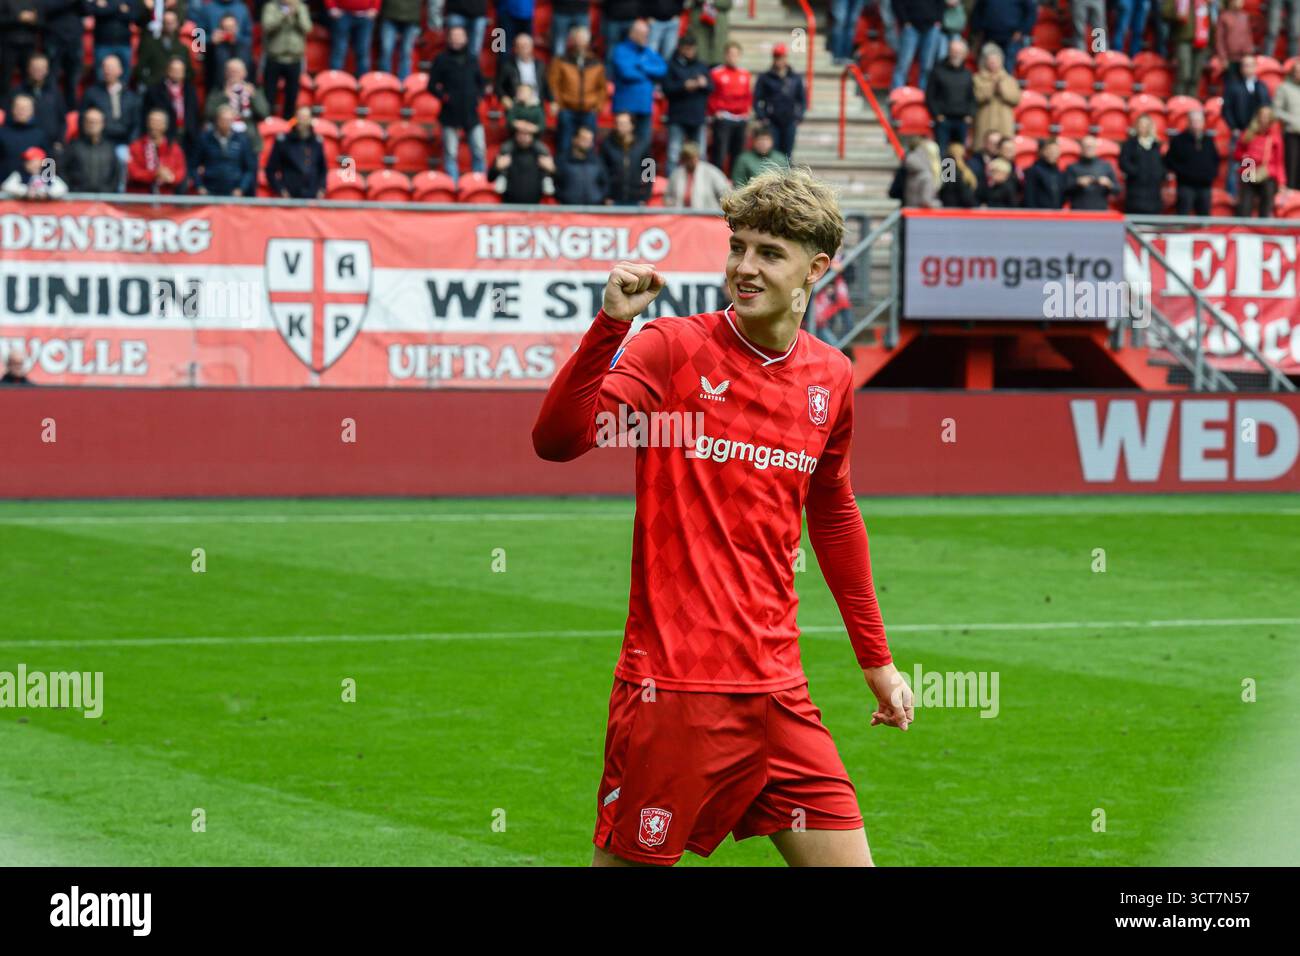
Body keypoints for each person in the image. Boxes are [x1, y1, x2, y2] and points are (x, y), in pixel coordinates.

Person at [531, 166, 912, 868]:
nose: (744, 266)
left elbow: (833, 515)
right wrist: (611, 324)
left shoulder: (831, 375)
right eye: (738, 246)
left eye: (770, 253)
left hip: (779, 696)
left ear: (816, 269)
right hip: (674, 694)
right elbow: (557, 442)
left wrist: (877, 661)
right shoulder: (671, 349)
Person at [428, 25, 487, 184]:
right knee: (450, 153)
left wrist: (478, 97)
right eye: (453, 36)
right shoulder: (441, 59)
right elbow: (431, 86)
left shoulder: (472, 58)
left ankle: (479, 183)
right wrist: (445, 97)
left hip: (471, 112)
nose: (456, 39)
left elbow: (481, 82)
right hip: (450, 113)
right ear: (448, 39)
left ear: (466, 38)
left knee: (479, 150)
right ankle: (453, 186)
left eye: (459, 35)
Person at [548, 25, 607, 159]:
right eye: (577, 39)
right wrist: (559, 104)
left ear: (588, 41)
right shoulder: (561, 60)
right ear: (572, 40)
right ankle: (560, 177)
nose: (580, 43)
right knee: (564, 144)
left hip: (588, 110)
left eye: (583, 39)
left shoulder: (596, 62)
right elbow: (553, 84)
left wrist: (597, 107)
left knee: (588, 147)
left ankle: (589, 176)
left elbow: (602, 88)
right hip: (567, 109)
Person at [611, 18, 667, 158]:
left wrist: (642, 66)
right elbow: (626, 73)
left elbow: (663, 69)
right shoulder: (620, 50)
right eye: (643, 35)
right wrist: (649, 74)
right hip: (625, 107)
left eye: (647, 35)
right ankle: (622, 178)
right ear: (633, 34)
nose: (646, 38)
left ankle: (647, 178)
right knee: (623, 145)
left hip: (644, 107)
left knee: (645, 147)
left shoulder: (648, 51)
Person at [663, 32, 711, 178]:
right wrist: (683, 86)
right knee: (673, 154)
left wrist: (704, 84)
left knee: (700, 155)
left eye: (692, 48)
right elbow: (666, 89)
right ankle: (671, 185)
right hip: (677, 116)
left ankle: (700, 185)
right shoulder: (672, 65)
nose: (689, 51)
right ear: (680, 48)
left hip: (697, 116)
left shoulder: (702, 66)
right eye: (686, 48)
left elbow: (711, 88)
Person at [143, 55, 201, 173]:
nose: (177, 73)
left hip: (187, 136)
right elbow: (146, 115)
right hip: (166, 136)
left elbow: (195, 114)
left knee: (185, 171)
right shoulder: (155, 90)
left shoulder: (190, 90)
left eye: (180, 70)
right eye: (174, 70)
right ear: (167, 70)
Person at [1224, 54, 1272, 194]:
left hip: (1257, 134)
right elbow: (1227, 109)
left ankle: (1249, 195)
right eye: (1245, 65)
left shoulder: (1261, 86)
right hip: (1241, 132)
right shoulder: (1233, 86)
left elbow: (1266, 108)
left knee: (1254, 163)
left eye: (1251, 65)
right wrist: (1233, 127)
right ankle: (1233, 194)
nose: (1248, 68)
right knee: (1237, 164)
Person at [205, 59, 270, 157]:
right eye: (231, 71)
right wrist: (223, 96)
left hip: (248, 136)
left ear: (245, 73)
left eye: (237, 71)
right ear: (225, 73)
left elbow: (264, 113)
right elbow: (208, 113)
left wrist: (254, 96)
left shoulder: (253, 89)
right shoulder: (218, 90)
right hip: (224, 135)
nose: (233, 74)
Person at [753, 44, 806, 160]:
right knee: (773, 153)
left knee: (788, 153)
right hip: (772, 121)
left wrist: (799, 116)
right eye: (777, 57)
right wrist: (762, 117)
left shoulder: (795, 77)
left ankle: (788, 176)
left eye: (782, 57)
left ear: (786, 58)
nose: (779, 61)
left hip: (789, 120)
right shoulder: (765, 77)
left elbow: (802, 99)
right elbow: (756, 99)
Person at [925, 37, 975, 158]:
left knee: (959, 154)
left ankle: (956, 177)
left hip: (962, 120)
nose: (956, 55)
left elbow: (972, 97)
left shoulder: (968, 74)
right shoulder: (938, 71)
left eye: (959, 52)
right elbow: (930, 95)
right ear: (949, 52)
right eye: (954, 51)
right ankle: (947, 177)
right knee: (943, 154)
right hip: (944, 120)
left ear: (964, 54)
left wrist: (970, 114)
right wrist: (937, 115)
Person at [708, 41, 752, 177]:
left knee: (737, 154)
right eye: (730, 54)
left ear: (739, 56)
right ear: (725, 55)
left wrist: (746, 112)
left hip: (740, 119)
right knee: (720, 153)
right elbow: (710, 95)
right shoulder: (716, 73)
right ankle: (717, 183)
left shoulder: (745, 74)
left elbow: (748, 95)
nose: (733, 57)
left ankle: (735, 184)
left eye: (735, 55)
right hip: (724, 117)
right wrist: (714, 111)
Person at [194, 103, 257, 196]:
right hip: (210, 190)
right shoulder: (205, 139)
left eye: (229, 120)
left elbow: (249, 169)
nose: (225, 123)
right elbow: (193, 165)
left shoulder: (242, 140)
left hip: (234, 191)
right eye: (223, 120)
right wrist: (200, 186)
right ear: (217, 120)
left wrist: (241, 188)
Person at [266, 104, 327, 198]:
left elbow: (322, 169)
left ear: (311, 120)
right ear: (295, 119)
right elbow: (271, 169)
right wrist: (281, 190)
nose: (303, 121)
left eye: (306, 117)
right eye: (300, 117)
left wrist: (322, 188)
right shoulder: (284, 141)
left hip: (312, 196)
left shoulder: (317, 142)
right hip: (290, 196)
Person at [263, 0, 313, 118]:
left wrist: (296, 15)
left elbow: (308, 28)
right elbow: (267, 27)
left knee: (292, 94)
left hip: (294, 58)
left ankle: (288, 121)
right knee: (269, 93)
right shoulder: (271, 7)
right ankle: (268, 119)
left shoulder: (301, 7)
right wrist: (282, 16)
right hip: (274, 57)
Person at [1234, 104, 1286, 216]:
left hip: (1266, 172)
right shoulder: (1248, 134)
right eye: (1262, 116)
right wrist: (1247, 157)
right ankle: (1243, 225)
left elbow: (1279, 161)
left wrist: (1282, 182)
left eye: (1267, 117)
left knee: (1267, 197)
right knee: (1245, 203)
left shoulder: (1275, 137)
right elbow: (1237, 154)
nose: (1264, 119)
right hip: (1249, 170)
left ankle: (1264, 225)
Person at [1165, 109, 1220, 214]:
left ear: (1203, 123)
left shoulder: (1208, 141)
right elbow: (1170, 160)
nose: (1196, 124)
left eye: (1199, 121)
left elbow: (1215, 160)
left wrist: (1211, 175)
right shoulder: (1178, 140)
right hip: (1185, 186)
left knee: (1204, 218)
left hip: (1205, 186)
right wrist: (1184, 174)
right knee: (1183, 216)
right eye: (1193, 121)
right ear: (1189, 122)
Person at [13, 54, 67, 155]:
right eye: (35, 68)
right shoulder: (18, 91)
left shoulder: (55, 92)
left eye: (41, 68)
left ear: (47, 70)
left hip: (51, 146)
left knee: (51, 169)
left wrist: (59, 141)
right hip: (25, 146)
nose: (38, 71)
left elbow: (62, 119)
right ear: (28, 69)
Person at [489, 120, 555, 203]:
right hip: (509, 206)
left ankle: (546, 179)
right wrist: (497, 168)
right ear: (515, 134)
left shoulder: (541, 154)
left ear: (533, 136)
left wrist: (552, 170)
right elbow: (489, 178)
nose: (524, 137)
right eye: (521, 133)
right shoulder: (506, 152)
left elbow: (560, 181)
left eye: (527, 134)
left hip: (534, 207)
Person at [126, 107, 186, 193]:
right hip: (140, 198)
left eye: (158, 122)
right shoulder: (135, 147)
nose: (154, 125)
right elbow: (133, 172)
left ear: (165, 125)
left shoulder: (174, 149)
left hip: (166, 199)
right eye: (152, 121)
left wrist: (171, 177)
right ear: (147, 123)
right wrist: (155, 174)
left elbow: (180, 172)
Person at [62, 107, 122, 192]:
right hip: (78, 198)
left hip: (105, 198)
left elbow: (116, 174)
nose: (92, 125)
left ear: (103, 124)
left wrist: (109, 191)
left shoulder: (110, 148)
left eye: (96, 122)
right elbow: (63, 170)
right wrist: (71, 189)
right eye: (89, 121)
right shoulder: (73, 146)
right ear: (84, 124)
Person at [972, 43, 1020, 148]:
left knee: (1004, 149)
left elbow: (1016, 99)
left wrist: (1002, 90)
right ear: (985, 62)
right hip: (984, 122)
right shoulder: (977, 78)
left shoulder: (1009, 79)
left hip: (1004, 123)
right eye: (990, 61)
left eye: (996, 61)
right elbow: (975, 98)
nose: (993, 64)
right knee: (983, 149)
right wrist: (991, 89)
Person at [892, 0, 945, 91]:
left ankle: (924, 97)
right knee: (903, 64)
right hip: (910, 27)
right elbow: (896, 3)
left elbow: (940, 2)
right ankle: (896, 97)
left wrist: (939, 20)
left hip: (931, 27)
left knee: (927, 67)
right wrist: (904, 21)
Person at [1164, 0, 1213, 97]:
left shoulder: (1204, 2)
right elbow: (1165, 13)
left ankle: (1191, 104)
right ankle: (1179, 103)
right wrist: (1177, 13)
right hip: (1183, 39)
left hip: (1202, 40)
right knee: (1184, 74)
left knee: (1196, 77)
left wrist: (1210, 43)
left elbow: (1209, 21)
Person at [601, 110, 651, 205]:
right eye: (618, 123)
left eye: (624, 124)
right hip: (613, 199)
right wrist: (606, 196)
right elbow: (602, 173)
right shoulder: (607, 145)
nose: (620, 127)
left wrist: (645, 198)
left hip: (637, 200)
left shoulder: (643, 145)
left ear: (632, 126)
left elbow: (649, 173)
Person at [1119, 113, 1166, 213]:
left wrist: (1159, 174)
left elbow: (1163, 164)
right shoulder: (1129, 144)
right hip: (1135, 190)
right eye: (1141, 124)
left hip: (1154, 191)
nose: (1143, 127)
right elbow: (1123, 162)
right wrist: (1136, 172)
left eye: (1146, 124)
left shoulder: (1156, 145)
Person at [41, 0, 86, 104]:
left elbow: (88, 10)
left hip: (74, 40)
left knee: (74, 78)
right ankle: (51, 105)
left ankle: (71, 109)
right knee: (52, 77)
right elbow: (45, 7)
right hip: (54, 38)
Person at [496, 31, 551, 114]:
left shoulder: (540, 65)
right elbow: (498, 86)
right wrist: (503, 97)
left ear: (532, 47)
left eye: (526, 46)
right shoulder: (508, 66)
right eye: (520, 46)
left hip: (537, 106)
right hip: (516, 105)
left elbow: (547, 86)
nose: (523, 49)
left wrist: (553, 101)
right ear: (516, 49)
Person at [663, 138, 729, 206]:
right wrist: (671, 204)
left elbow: (725, 193)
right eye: (688, 158)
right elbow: (668, 196)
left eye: (693, 158)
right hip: (680, 215)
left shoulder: (712, 172)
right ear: (683, 159)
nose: (691, 161)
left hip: (707, 215)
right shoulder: (676, 174)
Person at [0, 93, 50, 181]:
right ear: (12, 109)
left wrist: (48, 184)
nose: (21, 110)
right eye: (18, 107)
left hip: (33, 189)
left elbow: (50, 162)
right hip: (4, 187)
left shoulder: (40, 134)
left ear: (32, 111)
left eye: (26, 108)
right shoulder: (2, 133)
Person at [969, 0, 1036, 66]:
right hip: (989, 37)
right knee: (987, 65)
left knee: (1009, 66)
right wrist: (977, 29)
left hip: (1012, 38)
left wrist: (1022, 31)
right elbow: (977, 11)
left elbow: (1031, 12)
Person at [555, 124, 607, 204]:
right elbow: (556, 183)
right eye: (584, 139)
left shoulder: (597, 161)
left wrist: (600, 197)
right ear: (574, 139)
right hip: (569, 209)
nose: (588, 143)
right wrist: (564, 198)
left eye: (590, 140)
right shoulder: (562, 161)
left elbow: (605, 183)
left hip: (594, 208)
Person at [89, 0, 143, 77]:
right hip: (102, 44)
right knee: (101, 75)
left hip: (124, 43)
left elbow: (135, 15)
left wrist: (108, 6)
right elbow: (95, 10)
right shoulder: (123, 3)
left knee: (125, 75)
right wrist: (120, 6)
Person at [1064, 134, 1119, 209]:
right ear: (1081, 148)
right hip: (1078, 212)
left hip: (1101, 211)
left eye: (1091, 146)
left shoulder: (1105, 166)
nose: (1088, 148)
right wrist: (1077, 184)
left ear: (1096, 147)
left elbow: (1117, 190)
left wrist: (1108, 184)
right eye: (1086, 146)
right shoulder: (1072, 167)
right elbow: (1064, 191)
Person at [326, 0, 381, 75]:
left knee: (363, 50)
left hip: (365, 15)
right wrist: (332, 7)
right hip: (343, 14)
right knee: (339, 49)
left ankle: (363, 82)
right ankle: (334, 79)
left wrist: (375, 8)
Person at [1, 145, 69, 199]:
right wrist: (26, 191)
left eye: (35, 162)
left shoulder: (48, 175)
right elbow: (7, 186)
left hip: (46, 212)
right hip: (24, 210)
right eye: (29, 162)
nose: (33, 165)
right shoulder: (20, 174)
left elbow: (62, 188)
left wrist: (47, 193)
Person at [379, 0, 421, 80]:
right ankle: (384, 83)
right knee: (386, 51)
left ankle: (403, 85)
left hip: (411, 16)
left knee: (406, 53)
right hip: (390, 13)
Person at [1274, 58, 1300, 188]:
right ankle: (1291, 198)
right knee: (1292, 167)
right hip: (1292, 133)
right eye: (1297, 72)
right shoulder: (1284, 88)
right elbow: (1276, 110)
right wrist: (1292, 120)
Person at [1215, 0, 1256, 79]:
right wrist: (1223, 57)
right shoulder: (1224, 17)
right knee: (1231, 84)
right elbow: (1219, 39)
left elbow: (1249, 36)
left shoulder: (1245, 16)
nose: (1240, 2)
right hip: (1230, 59)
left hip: (1243, 59)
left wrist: (1249, 54)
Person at [685, 0, 733, 66]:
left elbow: (727, 3)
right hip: (700, 21)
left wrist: (712, 1)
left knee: (717, 55)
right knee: (701, 53)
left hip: (718, 24)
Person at [1022, 137, 1066, 208]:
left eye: (1055, 151)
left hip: (1056, 215)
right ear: (1043, 151)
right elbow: (1029, 197)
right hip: (1039, 216)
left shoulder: (1060, 173)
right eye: (1050, 150)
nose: (1053, 153)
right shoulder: (1034, 171)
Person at [900, 135, 941, 207]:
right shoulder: (927, 176)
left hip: (909, 209)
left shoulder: (908, 170)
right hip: (919, 214)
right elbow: (926, 201)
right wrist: (939, 204)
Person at [938, 141, 979, 206]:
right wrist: (975, 205)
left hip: (958, 206)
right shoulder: (949, 166)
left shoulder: (965, 165)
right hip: (953, 207)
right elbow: (949, 191)